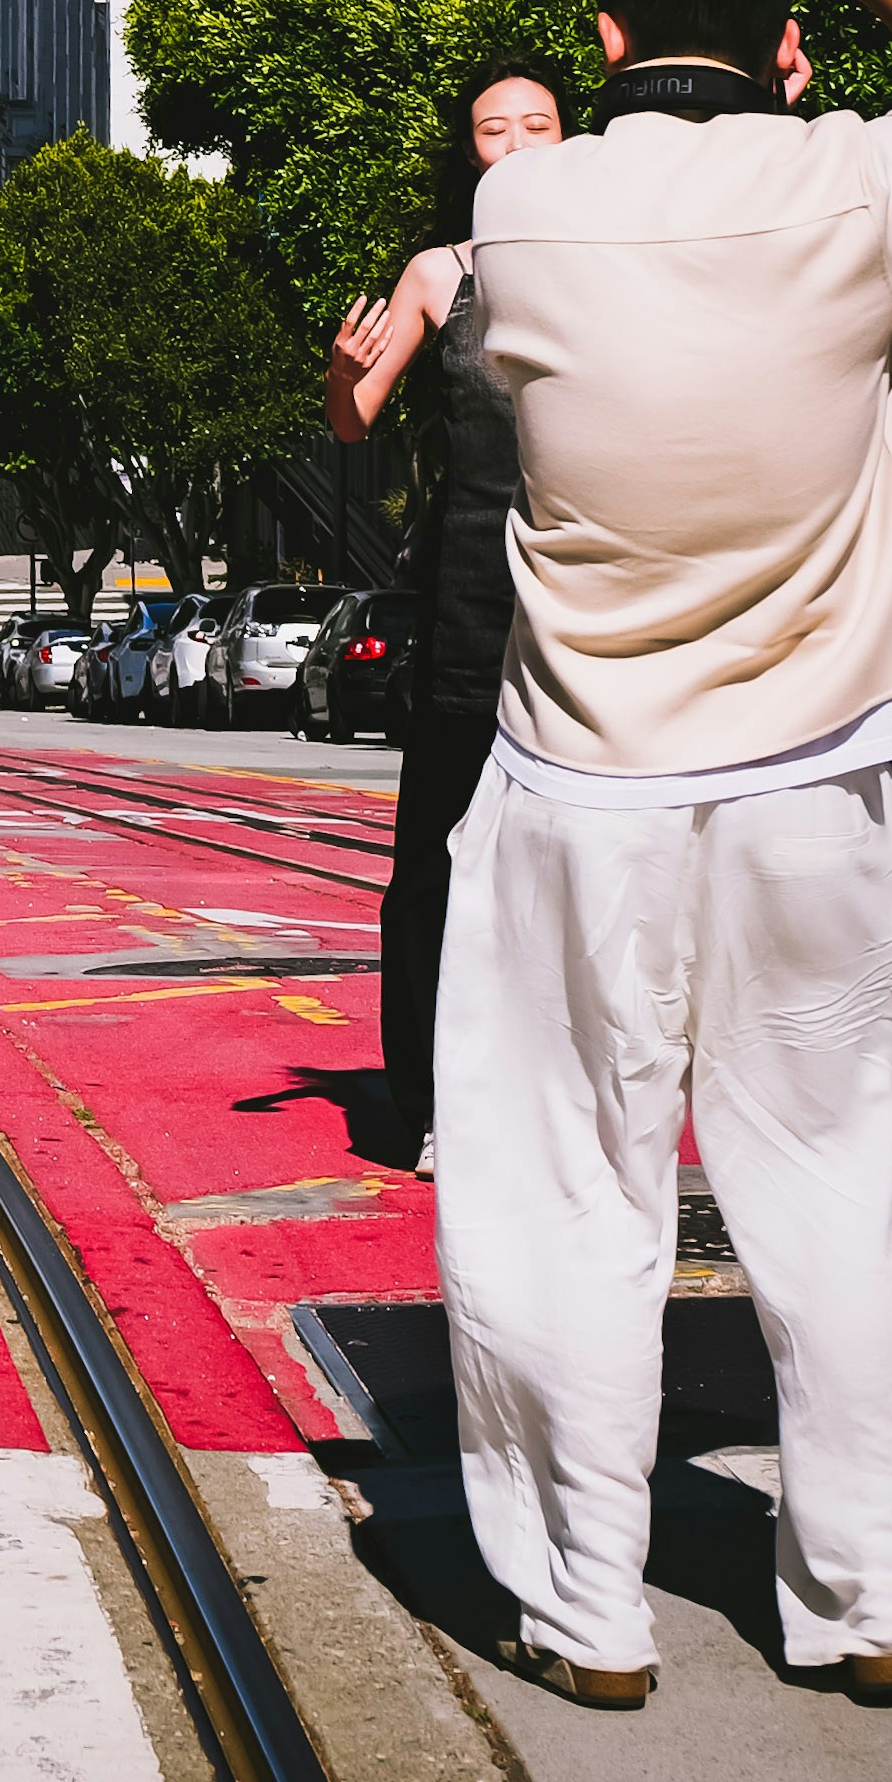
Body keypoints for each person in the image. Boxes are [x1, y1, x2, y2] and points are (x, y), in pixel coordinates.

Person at [434, 0, 892, 1714]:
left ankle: (584, 1606)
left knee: (565, 1191)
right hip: (814, 793)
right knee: (842, 1201)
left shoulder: (522, 200)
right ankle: (871, 1597)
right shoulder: (859, 188)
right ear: (785, 33)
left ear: (604, 44)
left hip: (576, 794)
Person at [325, 57, 574, 1165]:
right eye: (494, 129)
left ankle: (562, 1098)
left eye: (539, 125)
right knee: (437, 853)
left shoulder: (614, 257)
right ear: (466, 152)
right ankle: (426, 1105)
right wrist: (341, 373)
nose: (518, 146)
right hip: (473, 580)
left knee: (582, 858)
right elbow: (353, 422)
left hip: (591, 575)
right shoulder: (440, 273)